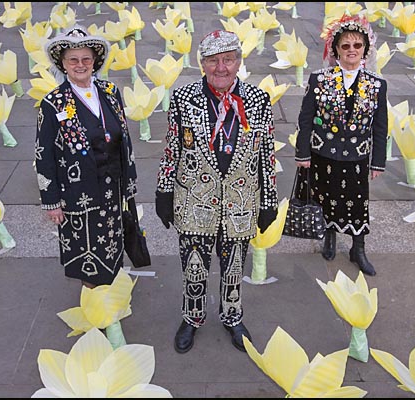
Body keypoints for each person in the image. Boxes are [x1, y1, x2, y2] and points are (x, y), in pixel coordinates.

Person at [155, 30, 278, 353]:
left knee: (235, 264)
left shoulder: (258, 99)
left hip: (240, 199)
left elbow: (267, 153)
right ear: (202, 64)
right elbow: (171, 150)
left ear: (238, 62)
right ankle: (192, 317)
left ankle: (232, 316)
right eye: (212, 61)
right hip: (194, 199)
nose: (220, 68)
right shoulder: (183, 98)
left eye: (227, 60)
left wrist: (268, 200)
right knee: (193, 265)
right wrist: (164, 191)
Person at [35, 25, 139, 289]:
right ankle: (95, 304)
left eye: (86, 59)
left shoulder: (111, 92)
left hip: (113, 187)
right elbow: (43, 153)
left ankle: (112, 292)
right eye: (73, 60)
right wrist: (51, 201)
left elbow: (123, 138)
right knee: (86, 248)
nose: (80, 65)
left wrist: (130, 182)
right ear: (63, 63)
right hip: (76, 191)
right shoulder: (53, 102)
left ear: (94, 62)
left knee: (112, 241)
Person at [294, 14, 388, 276]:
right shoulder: (319, 79)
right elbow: (305, 119)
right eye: (345, 45)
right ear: (335, 49)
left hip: (357, 156)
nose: (351, 51)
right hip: (324, 152)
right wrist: (302, 153)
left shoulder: (377, 84)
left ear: (365, 49)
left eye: (357, 45)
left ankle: (358, 249)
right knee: (327, 197)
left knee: (357, 203)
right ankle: (330, 237)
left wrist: (377, 161)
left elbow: (380, 127)